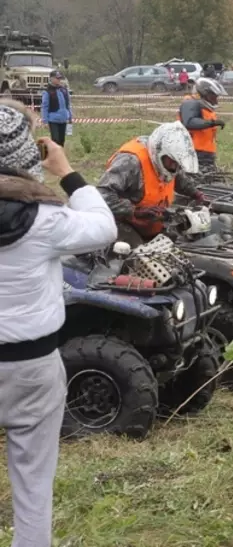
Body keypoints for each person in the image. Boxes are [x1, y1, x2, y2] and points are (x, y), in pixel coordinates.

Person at [0, 100, 117, 547]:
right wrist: (67, 172)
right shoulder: (50, 221)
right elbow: (105, 228)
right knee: (32, 485)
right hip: (33, 364)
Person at [97, 121, 203, 245]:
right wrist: (134, 211)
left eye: (177, 163)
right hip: (123, 223)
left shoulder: (169, 164)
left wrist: (196, 194)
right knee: (139, 255)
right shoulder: (131, 162)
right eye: (172, 162)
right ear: (159, 152)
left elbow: (178, 178)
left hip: (151, 223)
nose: (175, 167)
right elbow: (101, 194)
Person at [178, 77, 227, 169]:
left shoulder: (202, 106)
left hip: (205, 150)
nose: (215, 100)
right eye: (213, 97)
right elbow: (189, 122)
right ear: (205, 94)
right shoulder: (190, 103)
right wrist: (212, 123)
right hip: (195, 151)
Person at [39, 71, 71, 146]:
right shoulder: (47, 92)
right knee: (55, 140)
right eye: (57, 78)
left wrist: (70, 116)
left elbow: (68, 104)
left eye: (60, 78)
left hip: (63, 119)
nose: (59, 80)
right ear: (51, 79)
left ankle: (60, 156)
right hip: (53, 120)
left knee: (62, 140)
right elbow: (44, 107)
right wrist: (45, 121)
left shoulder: (64, 90)